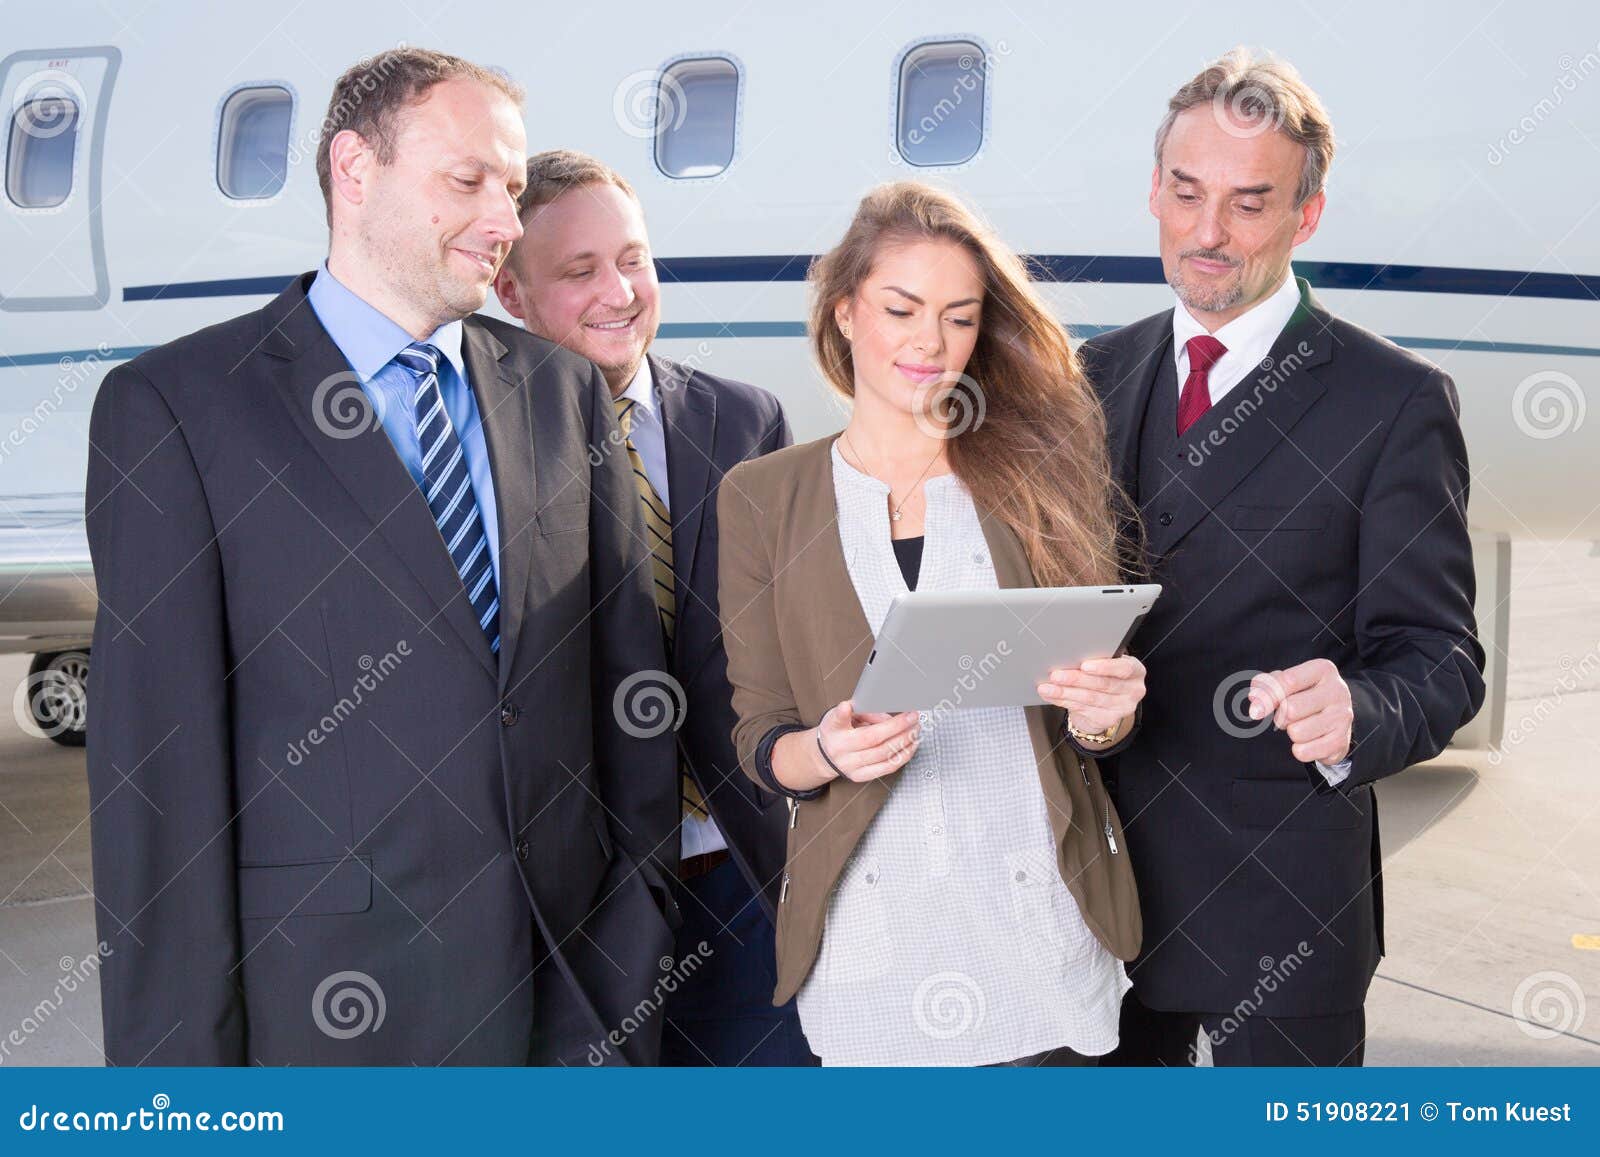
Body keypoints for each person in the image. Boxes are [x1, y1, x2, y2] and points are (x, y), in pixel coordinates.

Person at [82, 48, 679, 1066]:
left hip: (578, 1008)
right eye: (469, 181)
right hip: (333, 1028)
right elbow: (156, 784)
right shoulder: (182, 408)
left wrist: (637, 935)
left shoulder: (561, 391)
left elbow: (630, 688)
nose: (504, 219)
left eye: (513, 187)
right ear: (355, 171)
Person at [1082, 48, 1485, 1067]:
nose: (1207, 232)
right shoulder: (1089, 375)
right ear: (1154, 191)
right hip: (1093, 899)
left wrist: (1359, 707)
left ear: (1305, 216)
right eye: (1186, 192)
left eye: (1249, 203)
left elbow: (1438, 656)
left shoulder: (1390, 402)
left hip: (1282, 910)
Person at [717, 181, 1146, 1066]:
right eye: (901, 308)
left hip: (1036, 934)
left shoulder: (1039, 474)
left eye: (959, 316)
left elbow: (1095, 730)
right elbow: (761, 735)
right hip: (875, 955)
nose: (930, 342)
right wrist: (827, 751)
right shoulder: (763, 498)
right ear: (843, 312)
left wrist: (1109, 709)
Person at [492, 150, 814, 1065]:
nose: (619, 290)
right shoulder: (482, 447)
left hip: (740, 874)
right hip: (575, 899)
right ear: (511, 295)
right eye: (580, 270)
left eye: (633, 258)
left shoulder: (744, 421)